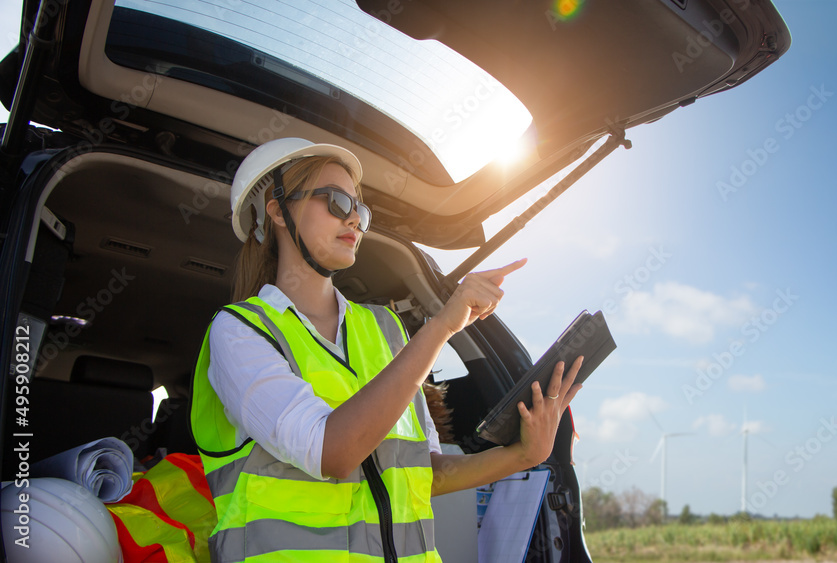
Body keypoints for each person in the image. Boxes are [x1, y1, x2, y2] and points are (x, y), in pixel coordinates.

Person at [190, 137, 583, 562]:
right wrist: (441, 327)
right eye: (338, 202)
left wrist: (524, 454)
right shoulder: (239, 331)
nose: (355, 219)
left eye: (360, 209)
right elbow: (331, 452)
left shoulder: (386, 330)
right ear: (277, 210)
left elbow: (424, 471)